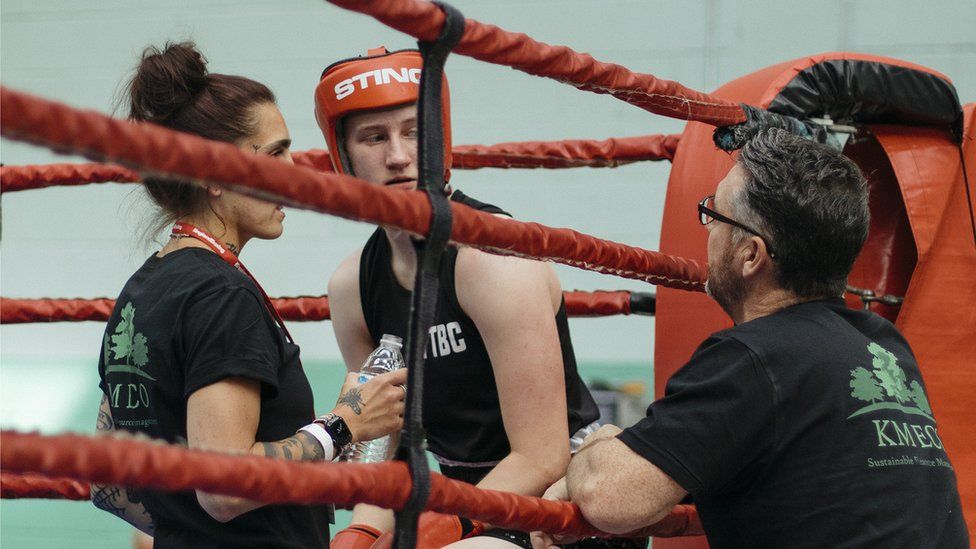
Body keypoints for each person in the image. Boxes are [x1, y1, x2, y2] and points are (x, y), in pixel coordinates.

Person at [532, 128, 969, 549]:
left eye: (713, 213)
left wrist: (599, 446)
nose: (707, 230)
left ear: (750, 255)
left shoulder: (754, 356)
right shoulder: (882, 343)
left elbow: (613, 498)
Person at [91, 42, 408, 549]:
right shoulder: (220, 295)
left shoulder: (142, 289)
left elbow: (115, 481)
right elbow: (224, 488)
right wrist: (346, 423)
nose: (293, 170)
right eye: (275, 153)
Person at [316, 48, 610, 549]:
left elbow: (541, 458)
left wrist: (429, 533)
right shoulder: (353, 288)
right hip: (462, 508)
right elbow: (387, 447)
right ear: (343, 156)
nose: (398, 155)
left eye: (414, 131)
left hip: (555, 507)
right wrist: (362, 531)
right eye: (374, 137)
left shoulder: (493, 259)